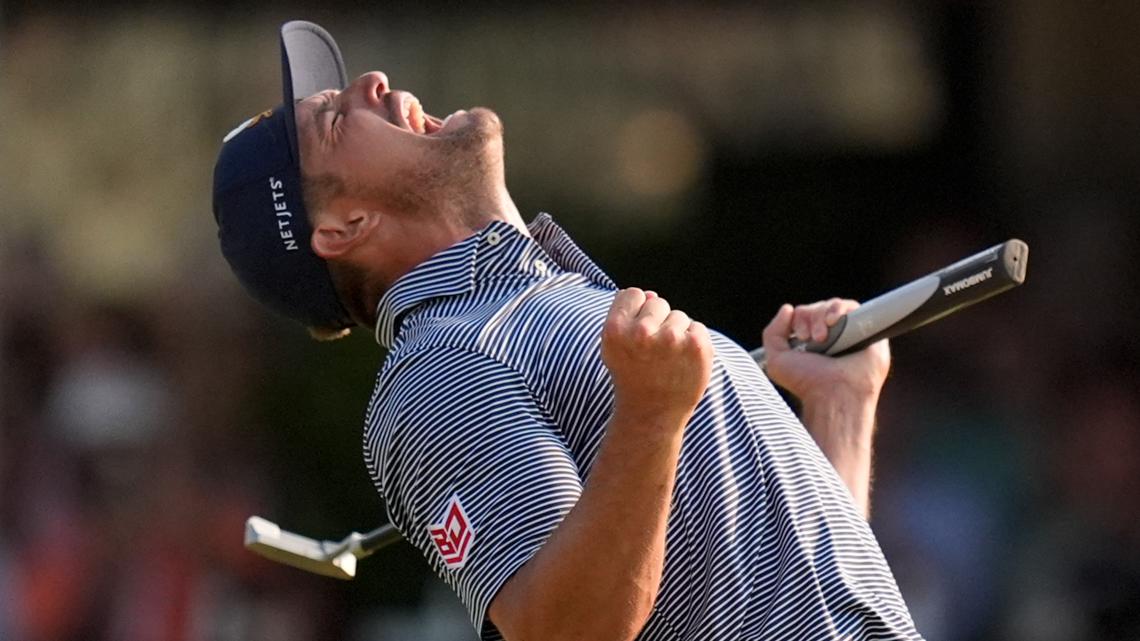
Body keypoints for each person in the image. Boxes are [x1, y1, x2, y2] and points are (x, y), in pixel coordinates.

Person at [213, 20, 922, 641]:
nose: (371, 81)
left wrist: (839, 410)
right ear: (345, 228)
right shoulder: (439, 368)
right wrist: (649, 416)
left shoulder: (560, 304)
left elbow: (791, 588)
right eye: (335, 121)